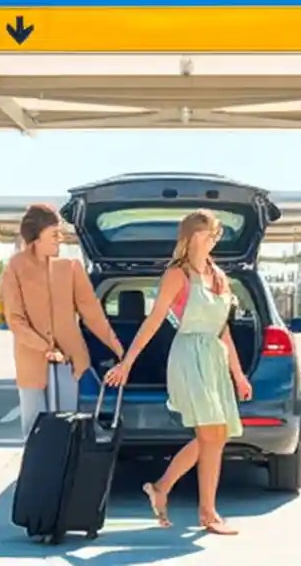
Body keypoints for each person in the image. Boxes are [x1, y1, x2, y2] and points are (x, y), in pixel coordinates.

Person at [104, 209, 252, 536]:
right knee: (211, 433)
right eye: (211, 233)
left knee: (216, 435)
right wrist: (127, 362)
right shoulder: (177, 275)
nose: (215, 239)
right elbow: (154, 320)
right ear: (193, 235)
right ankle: (208, 514)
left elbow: (223, 329)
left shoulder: (218, 275)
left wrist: (238, 374)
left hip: (214, 357)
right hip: (188, 357)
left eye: (216, 234)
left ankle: (161, 487)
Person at [1, 204, 125, 439]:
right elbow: (15, 320)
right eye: (54, 234)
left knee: (68, 429)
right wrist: (46, 349)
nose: (60, 238)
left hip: (71, 363)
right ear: (37, 236)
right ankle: (38, 464)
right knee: (34, 431)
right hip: (32, 363)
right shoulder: (14, 270)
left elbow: (92, 314)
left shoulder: (70, 268)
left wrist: (117, 347)